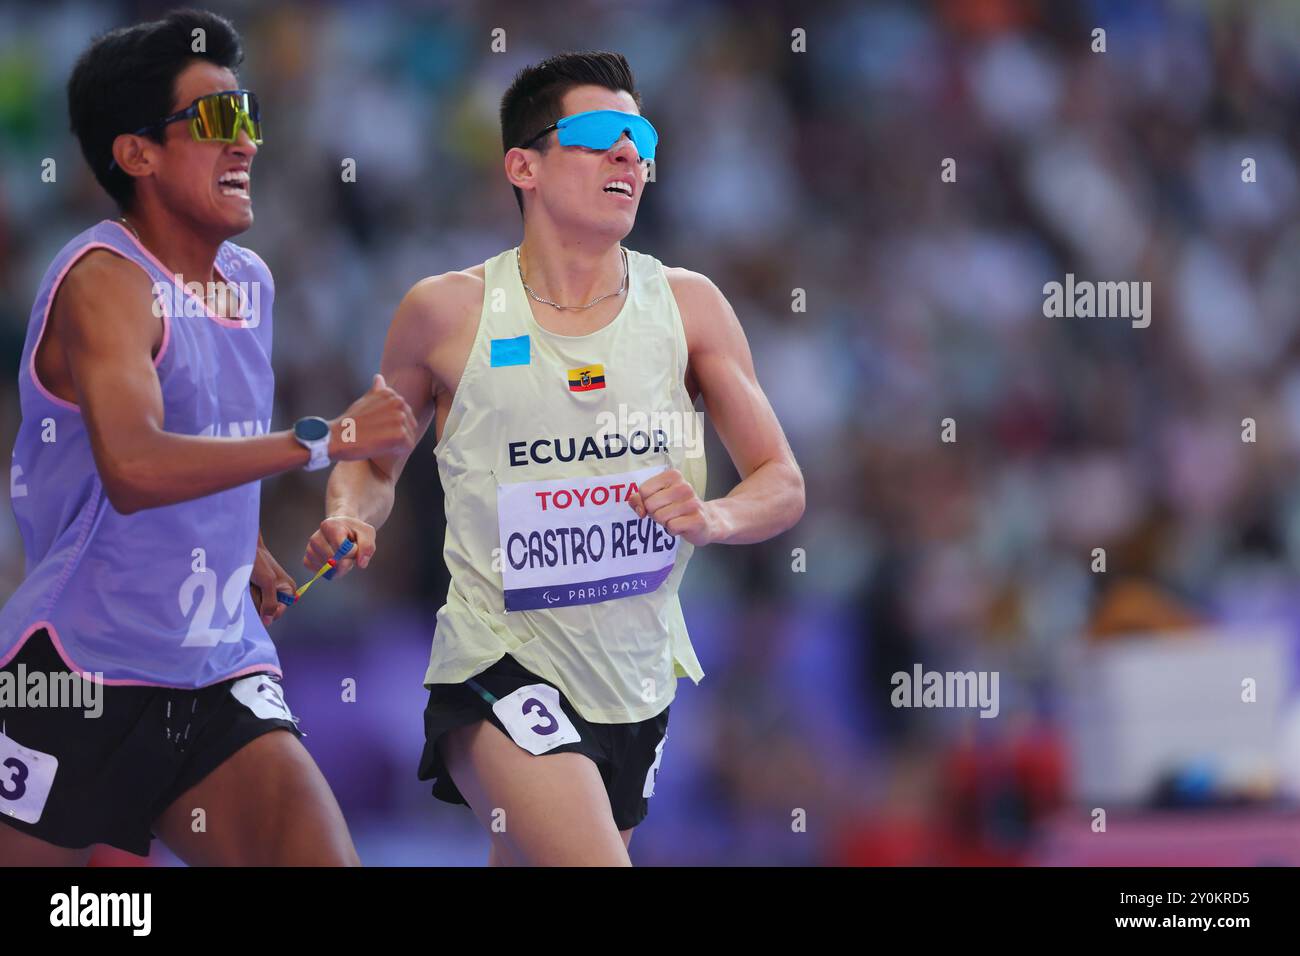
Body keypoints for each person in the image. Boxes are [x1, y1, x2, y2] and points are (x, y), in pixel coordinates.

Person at [304, 51, 804, 865]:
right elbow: (375, 456)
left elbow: (781, 482)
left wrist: (713, 516)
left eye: (641, 137)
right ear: (522, 165)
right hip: (496, 664)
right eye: (602, 135)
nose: (629, 156)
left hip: (636, 681)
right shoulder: (445, 312)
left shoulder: (690, 305)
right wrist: (345, 516)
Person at [0, 8, 417, 866]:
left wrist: (243, 545)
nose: (247, 144)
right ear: (137, 154)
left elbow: (205, 442)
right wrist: (325, 439)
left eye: (250, 116)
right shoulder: (105, 281)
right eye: (218, 121)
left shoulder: (247, 283)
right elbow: (137, 467)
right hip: (79, 675)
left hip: (218, 666)